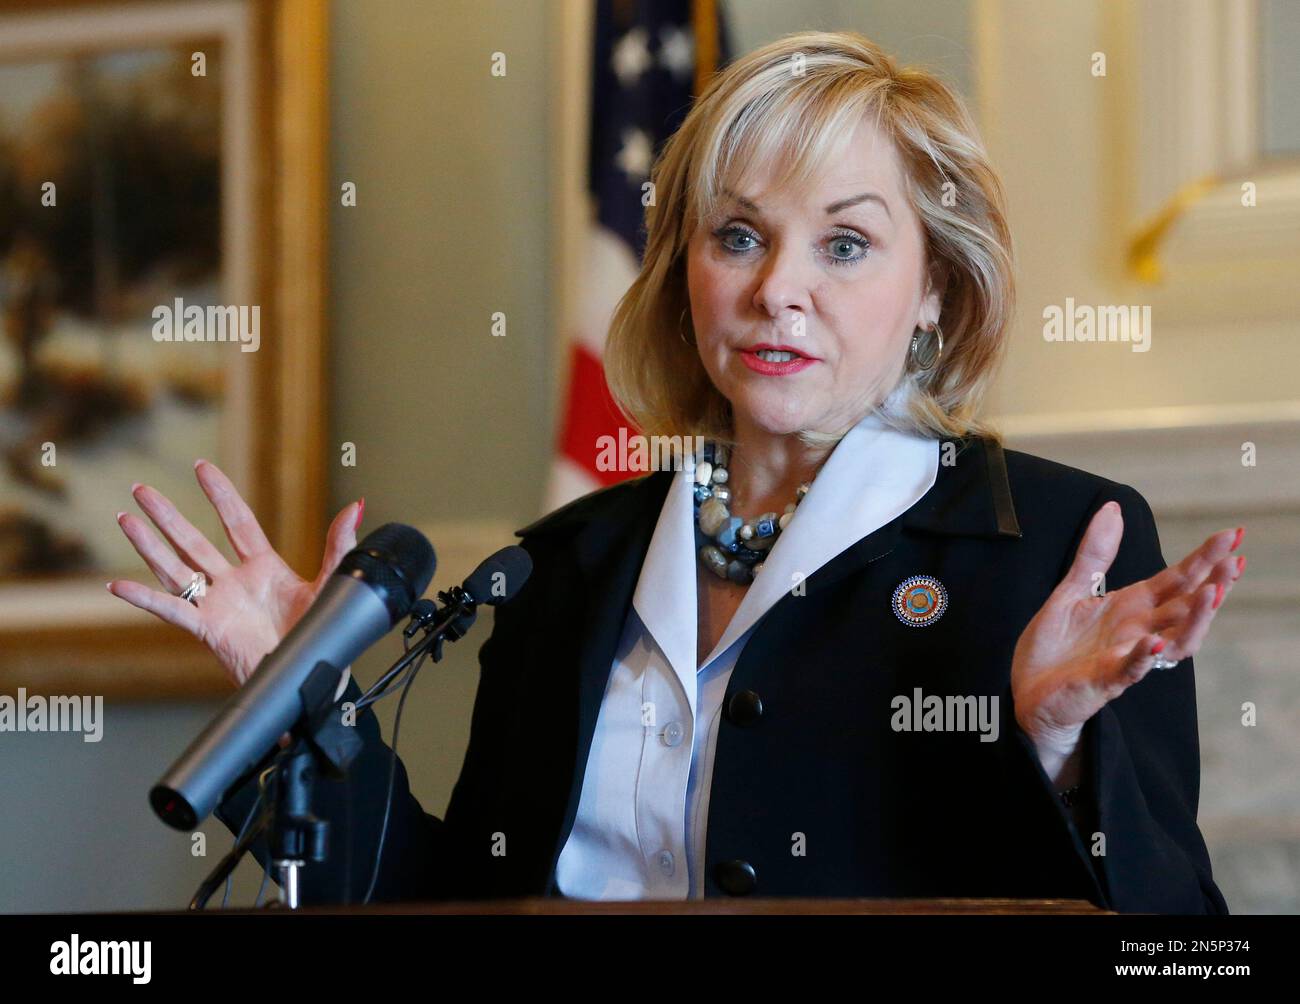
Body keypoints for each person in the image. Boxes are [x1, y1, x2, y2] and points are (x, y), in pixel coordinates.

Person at [109, 30, 1240, 912]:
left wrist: (1055, 752)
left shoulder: (1056, 543)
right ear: (684, 266)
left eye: (844, 243)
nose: (775, 289)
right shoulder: (558, 566)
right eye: (737, 235)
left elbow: (1172, 945)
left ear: (937, 286)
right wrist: (303, 706)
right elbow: (441, 903)